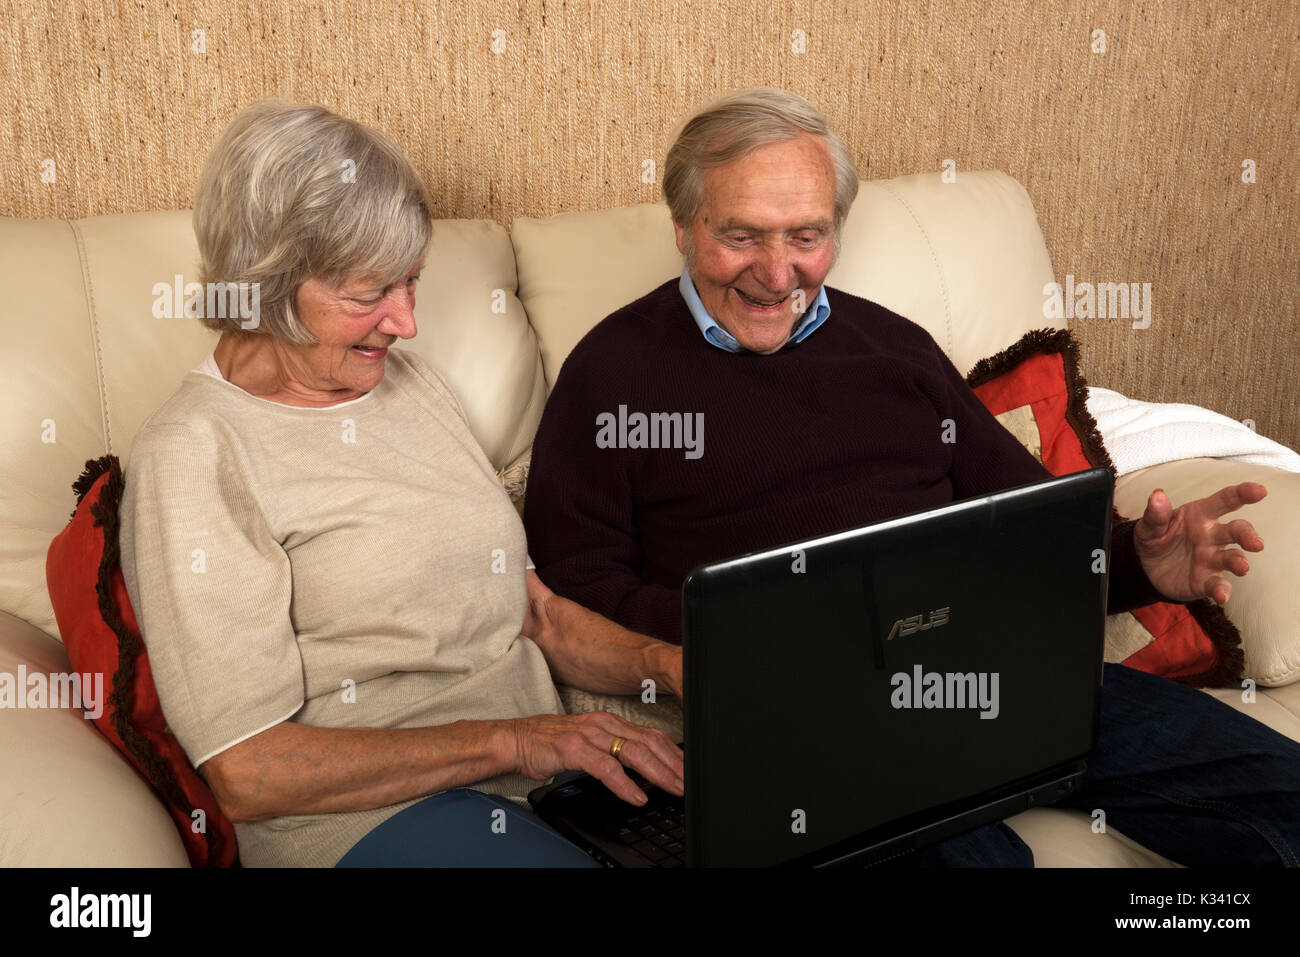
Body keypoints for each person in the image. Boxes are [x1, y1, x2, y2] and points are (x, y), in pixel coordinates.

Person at [523, 87, 1300, 867]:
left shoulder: (894, 347)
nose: (776, 271)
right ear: (684, 226)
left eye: (806, 236)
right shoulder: (612, 373)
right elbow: (574, 587)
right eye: (740, 237)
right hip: (802, 715)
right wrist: (750, 635)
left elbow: (1030, 522)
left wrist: (1137, 561)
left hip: (989, 667)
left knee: (1283, 794)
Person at [118, 100, 682, 868]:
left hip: (542, 790)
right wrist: (512, 739)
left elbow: (535, 615)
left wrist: (663, 663)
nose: (406, 322)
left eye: (412, 282)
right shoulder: (194, 454)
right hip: (372, 821)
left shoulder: (404, 382)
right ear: (262, 287)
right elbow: (248, 771)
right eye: (368, 295)